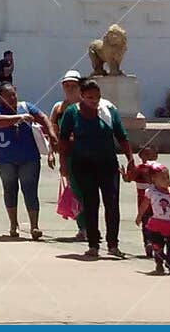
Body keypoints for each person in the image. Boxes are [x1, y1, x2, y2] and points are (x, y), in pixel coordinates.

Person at [58, 76, 136, 258]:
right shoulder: (72, 112)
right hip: (83, 165)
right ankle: (93, 244)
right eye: (90, 97)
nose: (94, 101)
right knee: (90, 204)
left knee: (112, 203)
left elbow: (122, 137)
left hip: (107, 165)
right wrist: (63, 164)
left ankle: (113, 244)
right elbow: (63, 140)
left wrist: (131, 160)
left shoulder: (108, 111)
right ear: (81, 96)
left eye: (97, 97)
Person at [0, 82, 52, 239]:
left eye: (14, 95)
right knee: (10, 189)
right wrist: (19, 118)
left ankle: (34, 226)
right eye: (8, 96)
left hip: (29, 157)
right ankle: (13, 224)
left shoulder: (26, 107)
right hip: (5, 159)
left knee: (30, 189)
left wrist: (51, 132)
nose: (13, 98)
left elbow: (42, 117)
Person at [138, 165, 170, 275]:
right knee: (158, 245)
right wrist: (140, 216)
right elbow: (145, 204)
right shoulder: (151, 191)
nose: (167, 180)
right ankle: (159, 263)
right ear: (154, 179)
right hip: (157, 223)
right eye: (163, 178)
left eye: (168, 177)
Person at [127, 145, 164, 257]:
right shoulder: (141, 169)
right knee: (147, 223)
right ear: (141, 156)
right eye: (147, 155)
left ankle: (152, 243)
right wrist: (128, 171)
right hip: (145, 202)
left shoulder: (158, 169)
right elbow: (129, 178)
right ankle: (150, 243)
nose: (149, 158)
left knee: (151, 224)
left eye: (151, 155)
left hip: (155, 202)